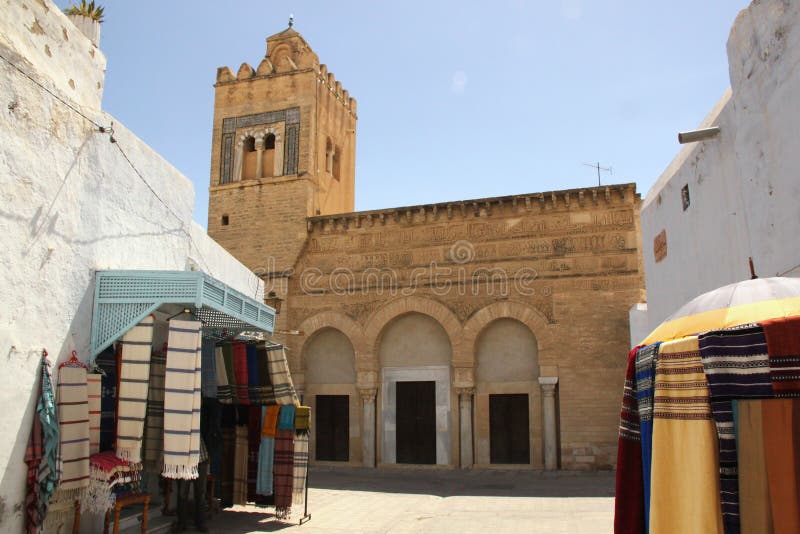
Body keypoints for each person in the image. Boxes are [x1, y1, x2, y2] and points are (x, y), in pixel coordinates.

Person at [172, 438, 209, 533]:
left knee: (200, 493)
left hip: (200, 457)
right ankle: (182, 523)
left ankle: (200, 522)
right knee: (182, 493)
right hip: (184, 458)